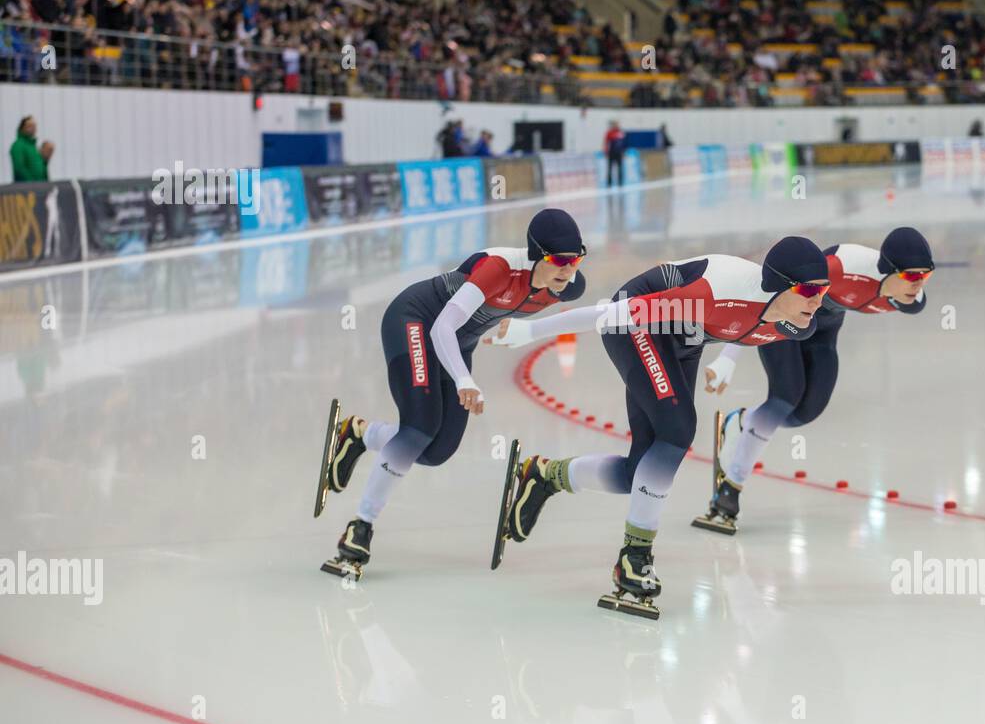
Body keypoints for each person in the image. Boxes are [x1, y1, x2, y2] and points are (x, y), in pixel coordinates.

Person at [486, 237, 831, 616]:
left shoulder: (797, 324)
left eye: (824, 289)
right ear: (778, 284)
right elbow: (611, 315)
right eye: (810, 291)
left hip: (684, 339)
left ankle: (545, 475)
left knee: (638, 473)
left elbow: (753, 325)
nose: (818, 302)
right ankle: (634, 556)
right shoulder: (712, 295)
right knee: (678, 430)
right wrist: (529, 332)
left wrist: (729, 360)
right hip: (637, 320)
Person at [315, 209, 588, 577]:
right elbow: (443, 326)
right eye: (559, 260)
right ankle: (360, 526)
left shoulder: (569, 286)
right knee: (419, 427)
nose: (568, 270)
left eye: (577, 259)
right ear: (537, 253)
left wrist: (522, 331)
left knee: (437, 451)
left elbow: (551, 312)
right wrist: (463, 380)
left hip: (458, 344)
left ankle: (360, 434)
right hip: (416, 321)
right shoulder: (498, 268)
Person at [693, 229, 933, 533]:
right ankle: (730, 491)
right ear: (890, 269)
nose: (920, 284)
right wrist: (729, 356)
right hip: (785, 321)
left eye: (927, 275)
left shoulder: (911, 299)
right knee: (784, 399)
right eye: (913, 276)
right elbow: (764, 294)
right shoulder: (841, 267)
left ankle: (741, 423)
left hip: (823, 332)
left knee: (806, 411)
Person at [10, 116, 53, 182]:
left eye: (35, 126)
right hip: (27, 189)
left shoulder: (33, 148)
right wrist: (32, 183)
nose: (33, 128)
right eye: (30, 126)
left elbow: (41, 168)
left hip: (40, 187)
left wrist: (45, 160)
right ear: (22, 128)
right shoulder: (18, 145)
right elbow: (19, 168)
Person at [604, 120, 626, 186]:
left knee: (620, 168)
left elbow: (623, 144)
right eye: (615, 124)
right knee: (610, 168)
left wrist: (623, 152)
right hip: (611, 153)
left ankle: (620, 182)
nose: (616, 126)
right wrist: (606, 151)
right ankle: (609, 183)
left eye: (617, 124)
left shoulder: (621, 133)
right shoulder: (609, 133)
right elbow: (606, 143)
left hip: (619, 153)